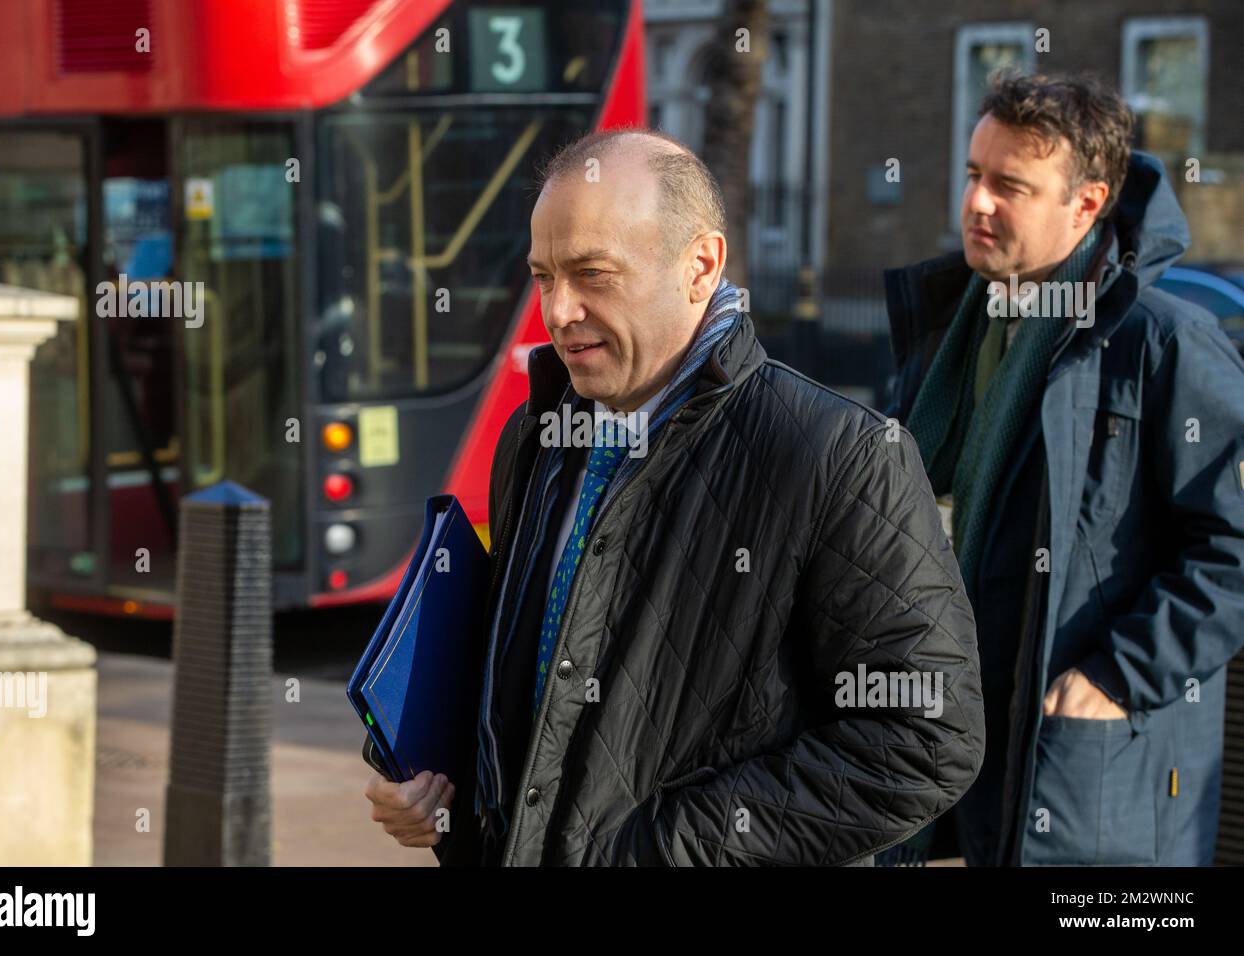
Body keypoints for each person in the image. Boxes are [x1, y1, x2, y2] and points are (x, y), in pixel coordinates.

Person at [366, 128, 985, 866]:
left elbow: (926, 739)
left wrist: (660, 850)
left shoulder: (838, 455)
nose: (558, 311)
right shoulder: (535, 435)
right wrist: (435, 787)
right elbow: (522, 692)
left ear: (701, 265)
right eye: (542, 276)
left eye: (593, 273)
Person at [886, 72, 1244, 865]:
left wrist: (1119, 675)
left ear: (1086, 204)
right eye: (975, 175)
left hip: (1081, 774)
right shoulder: (952, 332)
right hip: (942, 762)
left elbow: (1234, 550)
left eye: (1010, 185)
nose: (978, 203)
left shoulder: (1162, 342)